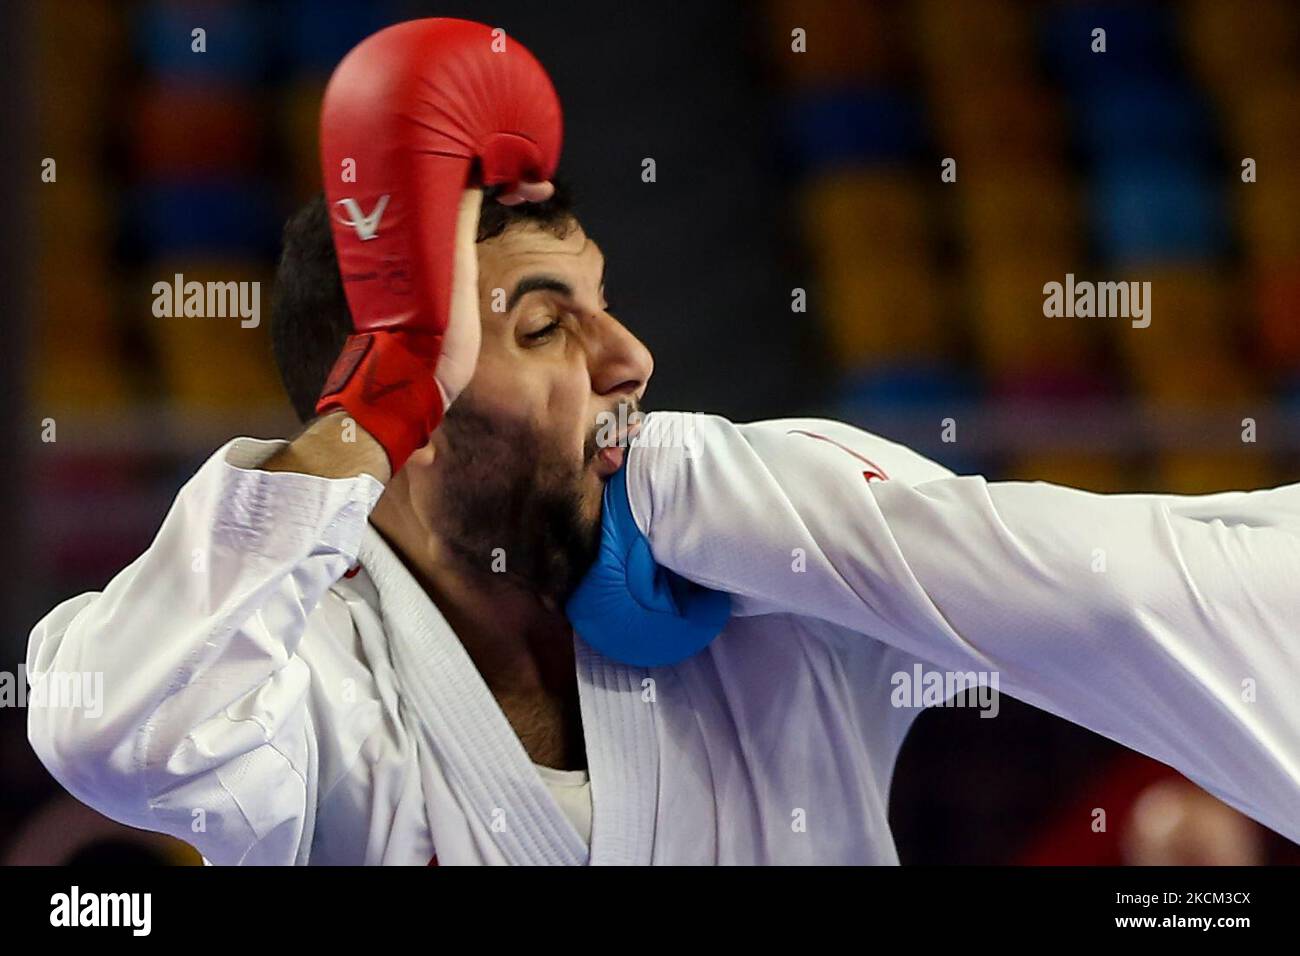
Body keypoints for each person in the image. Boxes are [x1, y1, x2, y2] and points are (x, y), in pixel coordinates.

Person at [26, 20, 1300, 865]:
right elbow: (118, 726)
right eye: (542, 323)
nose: (629, 356)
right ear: (396, 407)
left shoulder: (765, 601)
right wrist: (367, 416)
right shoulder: (324, 691)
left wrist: (786, 490)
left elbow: (1155, 586)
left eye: (604, 297)